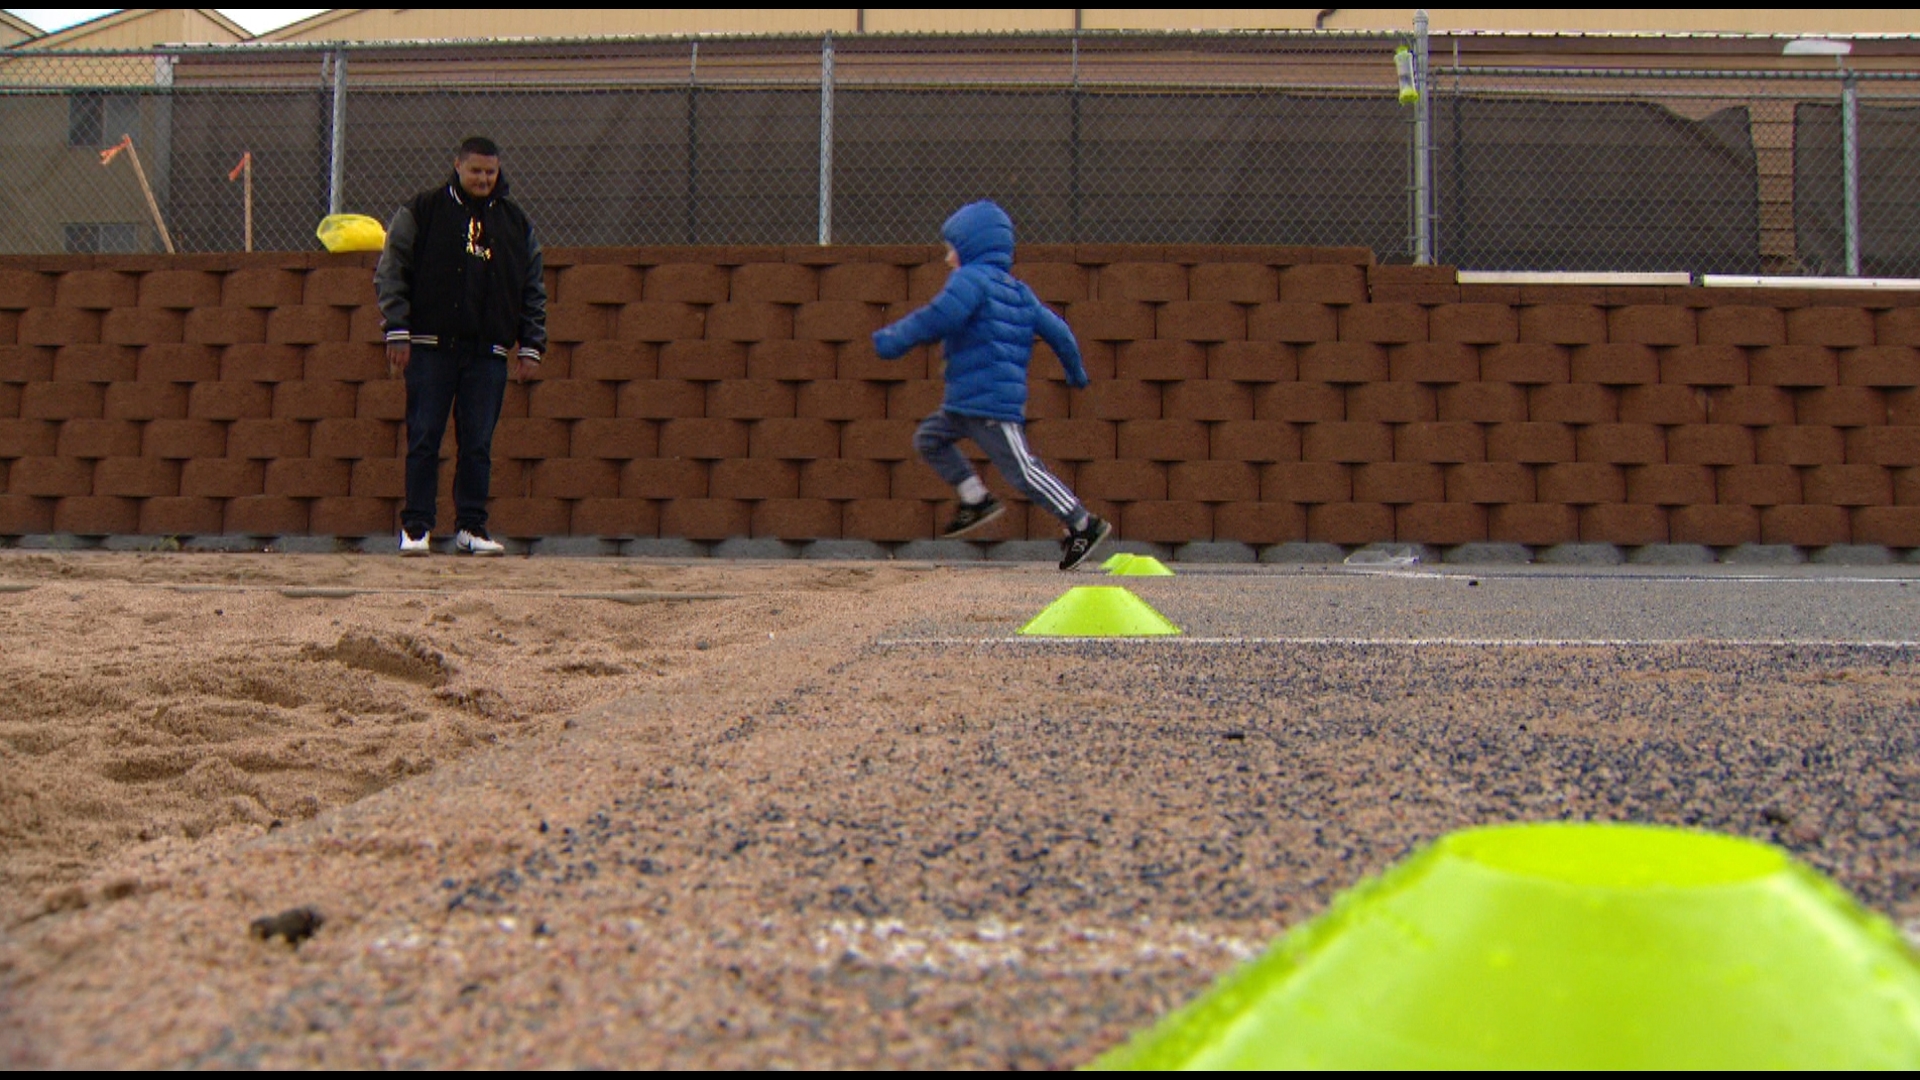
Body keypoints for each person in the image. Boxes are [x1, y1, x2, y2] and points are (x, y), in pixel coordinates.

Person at [872, 200, 1112, 571]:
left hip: (990, 404)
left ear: (972, 248)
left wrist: (894, 339)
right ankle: (975, 499)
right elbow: (1060, 333)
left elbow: (939, 317)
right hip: (963, 402)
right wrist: (1075, 371)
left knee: (1023, 471)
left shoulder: (971, 281)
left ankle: (1083, 523)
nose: (947, 259)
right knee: (930, 439)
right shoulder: (1021, 292)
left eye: (952, 249)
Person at [374, 136, 547, 557]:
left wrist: (530, 344)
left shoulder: (515, 222)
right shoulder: (423, 210)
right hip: (431, 348)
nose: (484, 179)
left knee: (477, 443)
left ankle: (472, 527)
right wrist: (397, 328)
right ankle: (417, 527)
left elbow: (532, 288)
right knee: (425, 436)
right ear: (458, 166)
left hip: (488, 352)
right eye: (476, 171)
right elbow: (392, 269)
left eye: (491, 172)